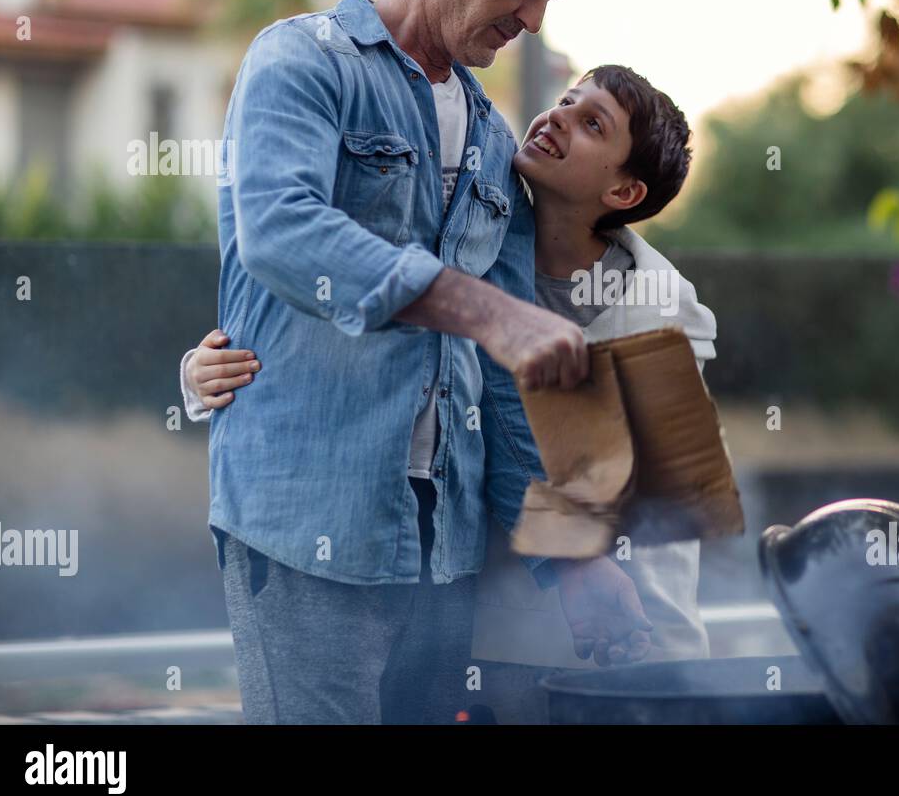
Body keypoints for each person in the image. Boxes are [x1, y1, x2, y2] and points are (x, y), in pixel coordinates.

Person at [204, 0, 653, 724]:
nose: (533, 18)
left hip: (443, 546)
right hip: (307, 531)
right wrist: (483, 307)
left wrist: (574, 557)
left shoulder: (493, 138)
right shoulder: (301, 60)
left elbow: (502, 383)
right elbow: (282, 231)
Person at [184, 66, 719, 722]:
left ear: (624, 188)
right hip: (474, 626)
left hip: (599, 648)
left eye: (592, 124)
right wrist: (200, 371)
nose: (557, 119)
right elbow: (358, 310)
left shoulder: (662, 312)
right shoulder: (470, 229)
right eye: (565, 102)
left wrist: (672, 668)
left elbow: (665, 526)